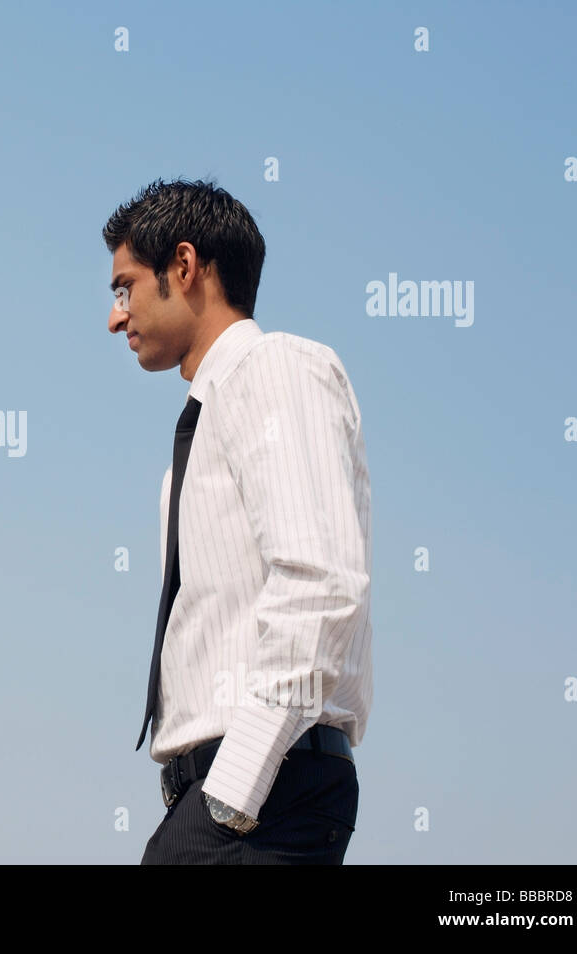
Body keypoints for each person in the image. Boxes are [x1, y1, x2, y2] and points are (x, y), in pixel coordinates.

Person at [104, 178, 373, 864]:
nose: (115, 316)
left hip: (262, 790)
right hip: (242, 795)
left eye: (125, 286)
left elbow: (321, 583)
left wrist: (232, 793)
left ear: (185, 267)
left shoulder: (272, 368)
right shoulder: (211, 416)